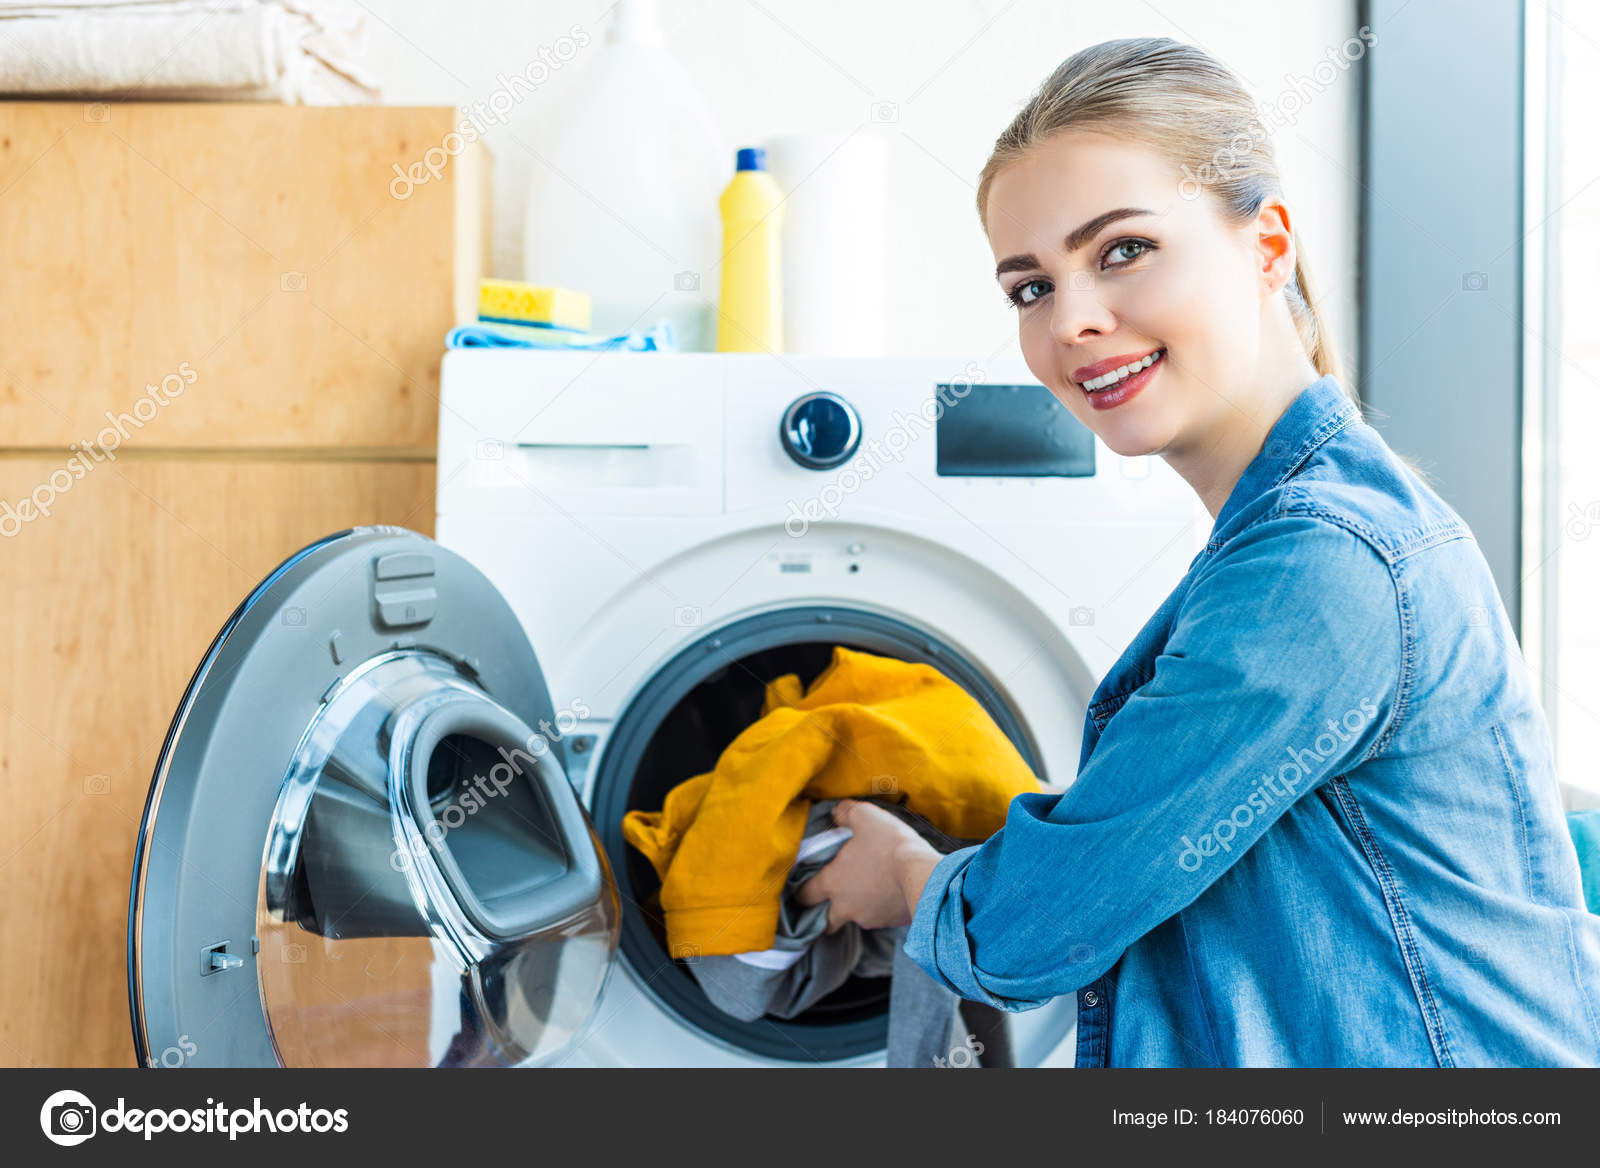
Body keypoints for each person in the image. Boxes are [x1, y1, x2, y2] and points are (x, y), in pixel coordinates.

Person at [795, 36, 1600, 1067]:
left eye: (1122, 249)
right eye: (1030, 287)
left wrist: (907, 876)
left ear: (1266, 246)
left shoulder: (1321, 563)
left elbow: (1033, 929)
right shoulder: (1287, 531)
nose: (1074, 319)